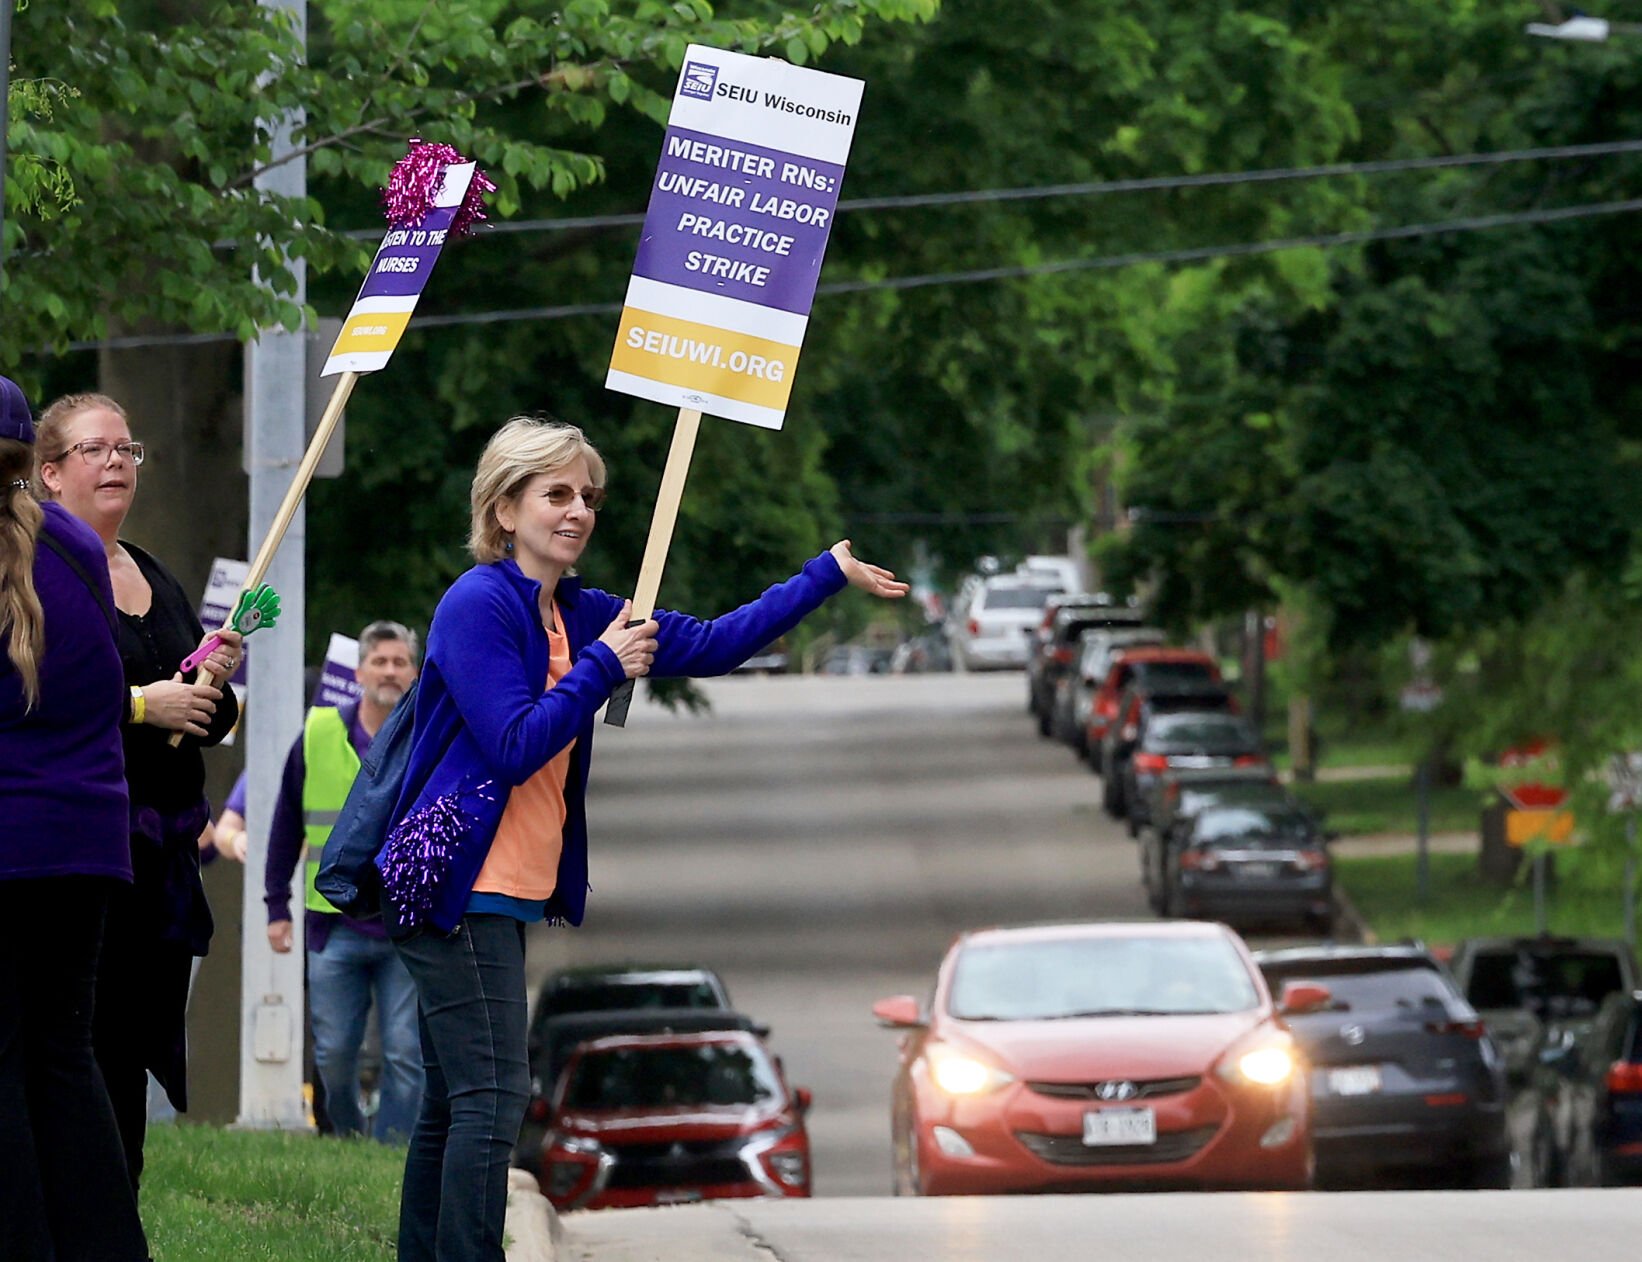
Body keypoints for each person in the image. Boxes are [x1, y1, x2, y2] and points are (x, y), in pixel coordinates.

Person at [379, 416, 908, 1261]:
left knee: (456, 1102)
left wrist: (826, 574)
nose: (579, 510)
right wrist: (601, 667)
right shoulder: (476, 604)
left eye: (587, 496)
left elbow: (715, 645)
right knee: (492, 1097)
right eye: (556, 494)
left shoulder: (578, 612)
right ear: (504, 508)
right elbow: (511, 743)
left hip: (504, 889)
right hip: (455, 885)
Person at [33, 391, 242, 1194]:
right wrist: (146, 704)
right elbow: (56, 699)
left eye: (129, 448)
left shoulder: (151, 571)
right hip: (90, 843)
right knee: (87, 1046)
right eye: (97, 449)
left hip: (162, 857)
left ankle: (121, 1208)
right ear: (50, 474)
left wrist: (212, 693)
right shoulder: (45, 577)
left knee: (133, 1048)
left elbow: (201, 708)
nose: (119, 460)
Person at [0, 377, 150, 1260]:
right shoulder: (75, 546)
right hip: (88, 844)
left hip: (12, 842)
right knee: (64, 1056)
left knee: (7, 1063)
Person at [265, 622, 426, 1143]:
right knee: (334, 1053)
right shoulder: (318, 734)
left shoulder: (429, 737)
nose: (390, 671)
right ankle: (347, 1141)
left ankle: (393, 1150)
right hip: (332, 926)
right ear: (359, 672)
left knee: (406, 1051)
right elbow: (287, 823)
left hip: (406, 925)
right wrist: (276, 906)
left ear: (415, 672)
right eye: (380, 661)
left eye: (400, 662)